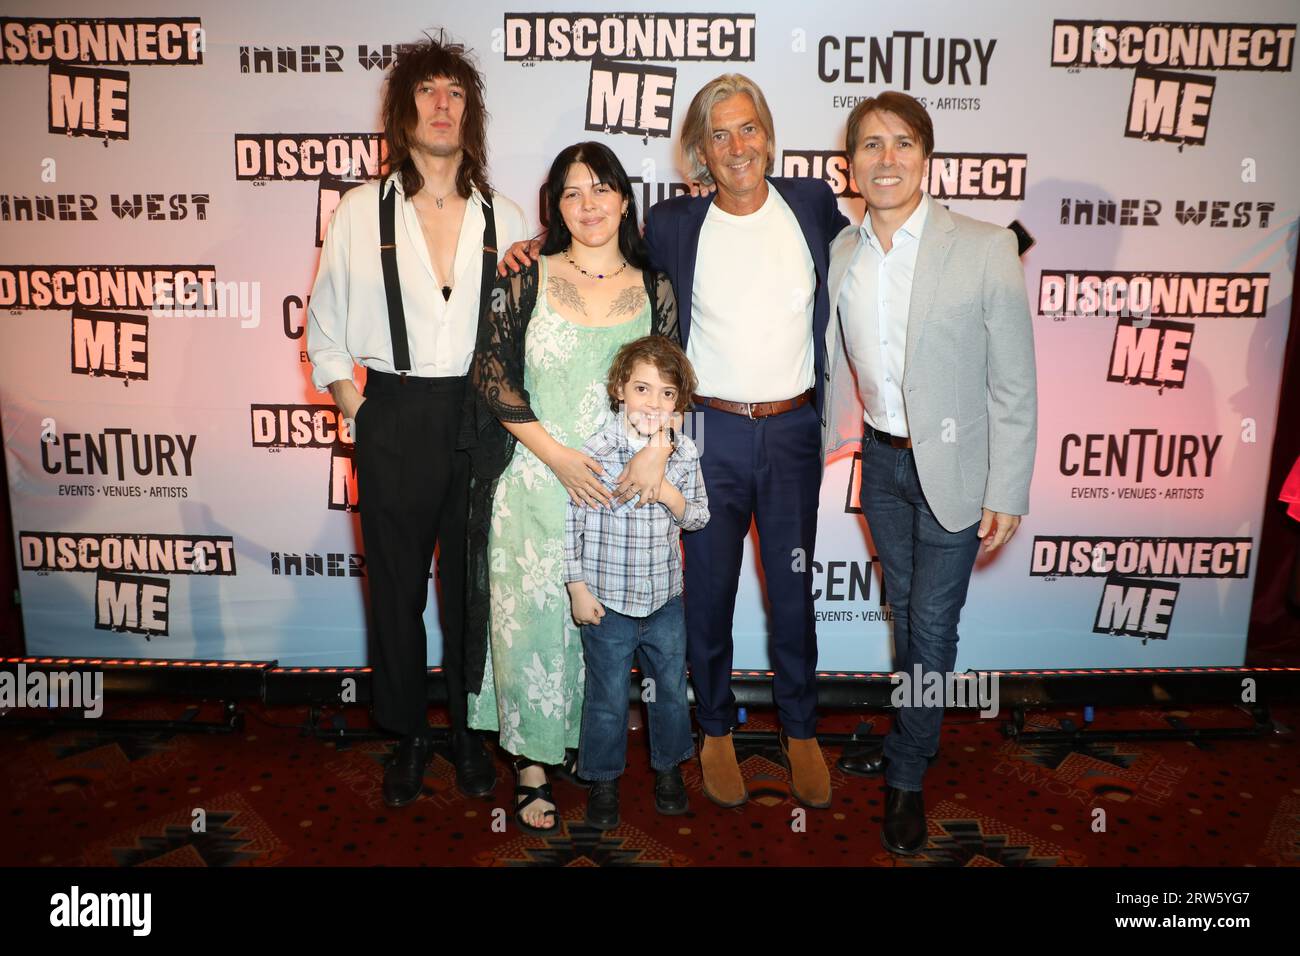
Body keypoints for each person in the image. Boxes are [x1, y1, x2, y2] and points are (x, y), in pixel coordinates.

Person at [502, 74, 849, 811]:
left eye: (747, 128)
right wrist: (532, 246)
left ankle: (800, 731)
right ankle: (716, 730)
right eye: (718, 135)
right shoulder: (676, 225)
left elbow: (873, 256)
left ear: (769, 134)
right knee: (708, 595)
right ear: (698, 152)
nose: (736, 146)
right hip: (709, 430)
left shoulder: (814, 204)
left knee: (792, 594)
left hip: (790, 427)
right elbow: (597, 240)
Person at [306, 36, 528, 808]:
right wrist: (361, 411)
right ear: (403, 115)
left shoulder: (508, 214)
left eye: (455, 93)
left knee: (473, 591)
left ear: (470, 114)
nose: (442, 104)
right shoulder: (359, 212)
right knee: (396, 591)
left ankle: (469, 734)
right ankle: (409, 738)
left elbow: (527, 334)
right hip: (392, 414)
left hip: (478, 417)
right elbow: (324, 334)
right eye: (427, 91)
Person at [824, 91, 1037, 855]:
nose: (887, 159)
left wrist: (1007, 487)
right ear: (850, 164)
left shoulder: (982, 247)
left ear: (927, 157)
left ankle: (908, 773)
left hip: (955, 470)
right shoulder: (843, 253)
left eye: (903, 143)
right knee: (907, 615)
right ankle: (916, 733)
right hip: (880, 465)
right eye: (871, 145)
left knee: (930, 626)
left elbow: (1014, 382)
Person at [461, 142, 680, 834]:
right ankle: (529, 767)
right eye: (572, 192)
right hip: (535, 478)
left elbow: (675, 381)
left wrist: (659, 450)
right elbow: (491, 375)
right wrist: (556, 456)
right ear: (556, 205)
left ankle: (596, 754)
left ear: (624, 198)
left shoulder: (655, 287)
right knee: (530, 624)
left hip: (622, 494)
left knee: (600, 633)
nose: (589, 205)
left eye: (602, 188)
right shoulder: (527, 275)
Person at [565, 336, 709, 829]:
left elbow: (698, 518)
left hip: (665, 601)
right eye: (642, 389)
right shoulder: (597, 450)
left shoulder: (685, 453)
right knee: (605, 698)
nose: (653, 403)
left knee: (669, 691)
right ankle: (603, 779)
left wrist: (668, 491)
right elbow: (573, 522)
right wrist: (576, 586)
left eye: (667, 394)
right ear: (619, 390)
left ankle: (668, 771)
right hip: (607, 603)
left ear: (680, 402)